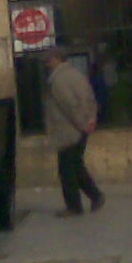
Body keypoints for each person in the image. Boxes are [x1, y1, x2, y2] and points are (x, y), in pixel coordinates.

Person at [42, 45, 104, 217]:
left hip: (68, 130)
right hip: (81, 127)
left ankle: (75, 206)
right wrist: (91, 119)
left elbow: (69, 105)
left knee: (67, 170)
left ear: (56, 59)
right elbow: (89, 98)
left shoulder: (58, 79)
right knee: (76, 166)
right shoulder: (76, 74)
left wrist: (81, 123)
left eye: (48, 60)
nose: (46, 63)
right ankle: (96, 196)